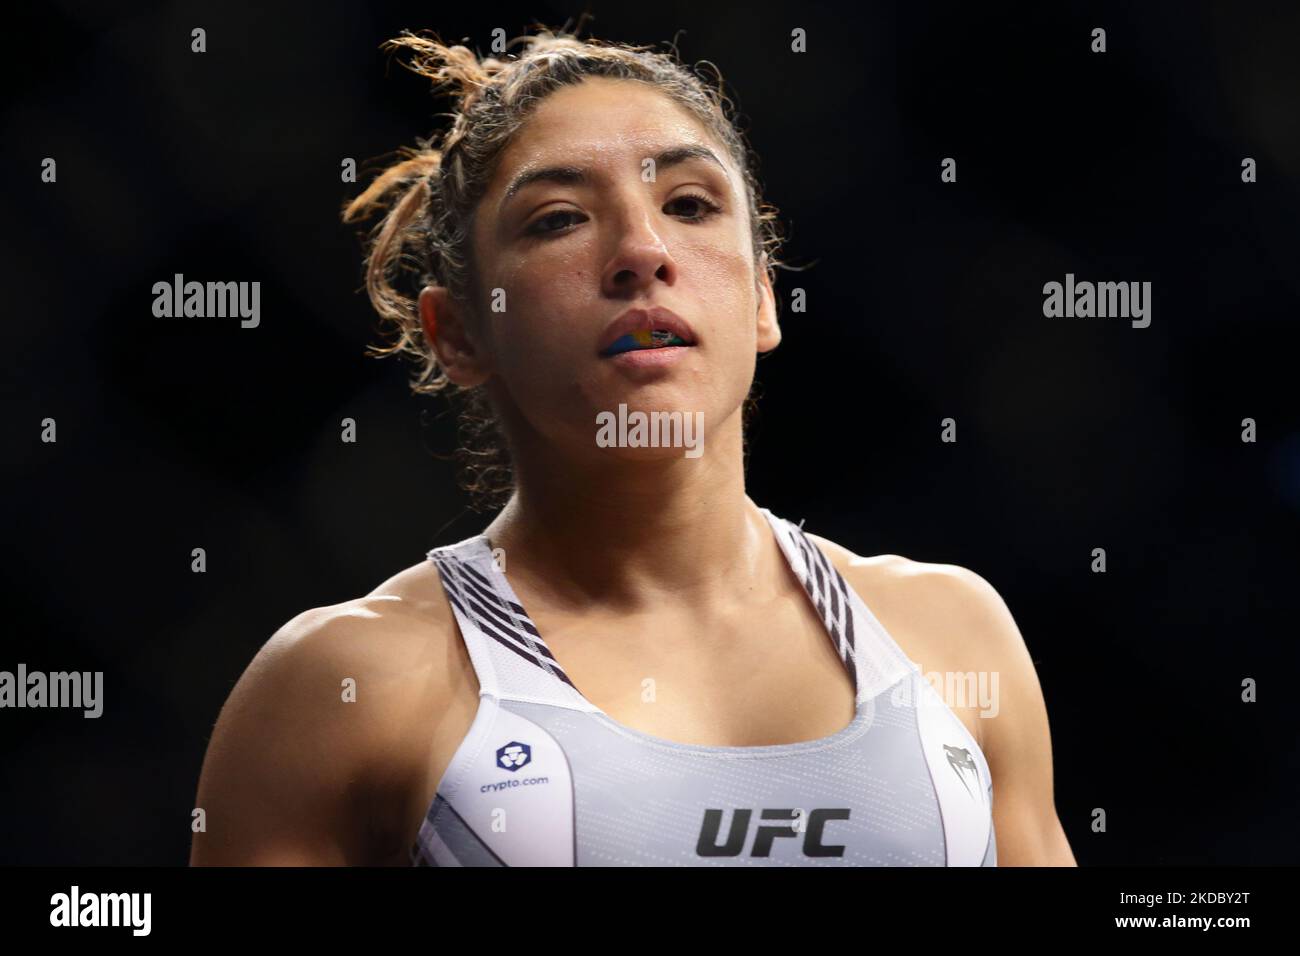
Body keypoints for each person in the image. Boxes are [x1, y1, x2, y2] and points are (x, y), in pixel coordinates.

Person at [189, 26, 1076, 867]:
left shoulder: (953, 637)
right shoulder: (350, 685)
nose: (642, 251)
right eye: (559, 219)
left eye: (689, 204)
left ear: (764, 298)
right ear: (458, 332)